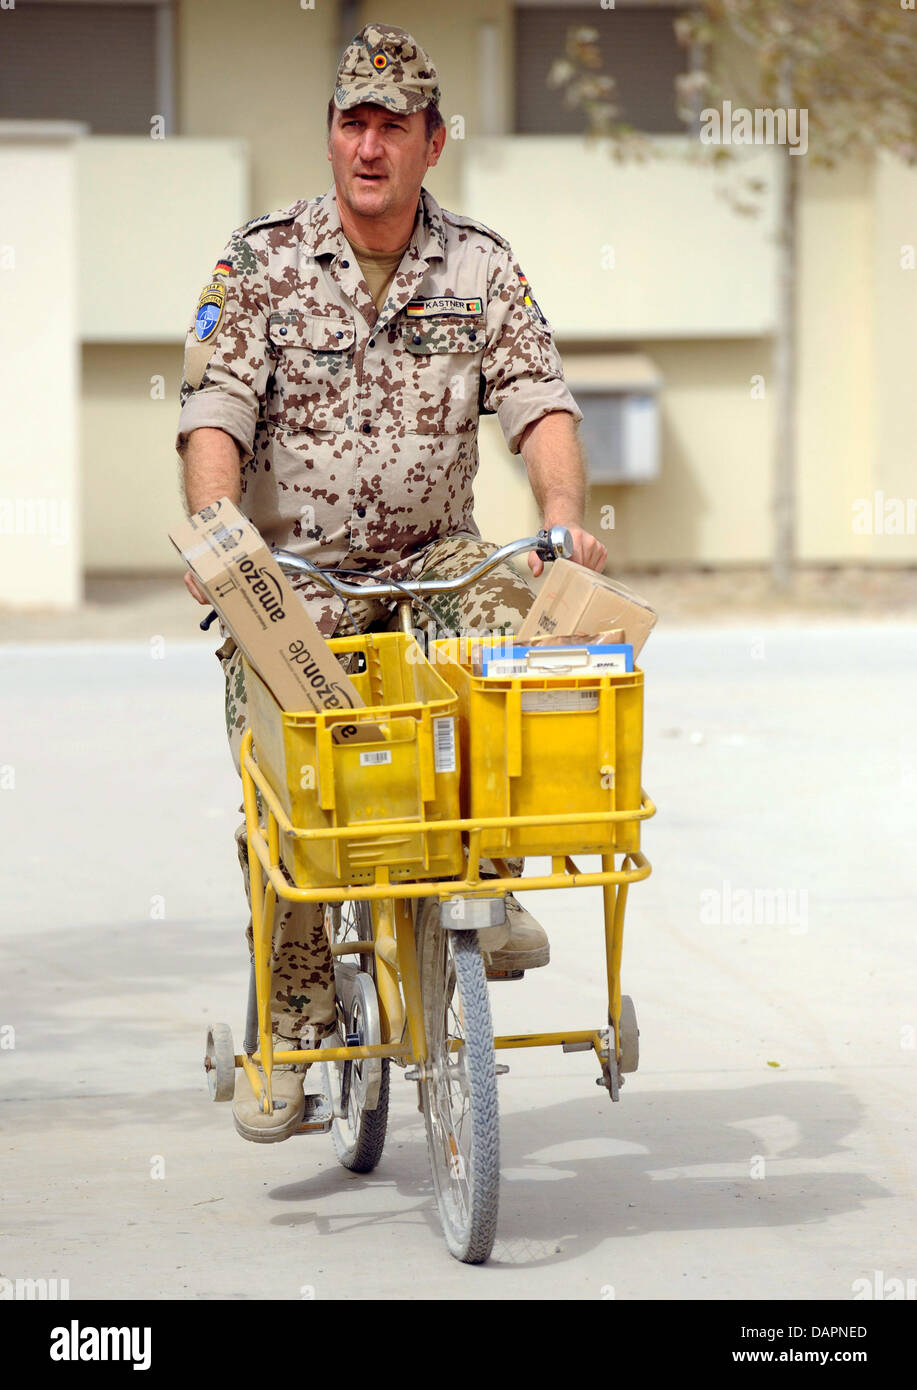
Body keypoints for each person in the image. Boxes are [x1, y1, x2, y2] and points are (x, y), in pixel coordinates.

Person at [176, 22, 607, 1142]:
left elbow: (538, 400)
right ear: (331, 133)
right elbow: (212, 416)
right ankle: (298, 1017)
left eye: (391, 127)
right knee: (286, 778)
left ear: (432, 142)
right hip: (299, 575)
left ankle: (489, 882)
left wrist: (561, 520)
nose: (367, 147)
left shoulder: (480, 266)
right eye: (349, 122)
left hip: (431, 559)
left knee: (528, 630)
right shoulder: (260, 262)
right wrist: (222, 541)